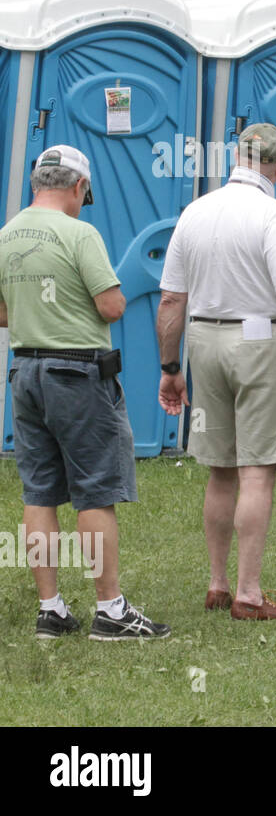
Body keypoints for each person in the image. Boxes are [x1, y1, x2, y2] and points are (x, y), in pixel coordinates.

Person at [157, 123, 276, 620]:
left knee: (219, 468)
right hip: (258, 341)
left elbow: (171, 299)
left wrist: (171, 367)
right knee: (258, 470)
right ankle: (249, 594)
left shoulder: (194, 211)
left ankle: (216, 584)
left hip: (203, 341)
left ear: (236, 158)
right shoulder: (275, 215)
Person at [0, 145, 168, 639]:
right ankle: (111, 611)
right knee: (95, 489)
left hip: (25, 373)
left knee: (40, 491)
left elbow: (2, 312)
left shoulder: (6, 235)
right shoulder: (80, 233)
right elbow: (112, 305)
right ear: (78, 187)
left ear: (37, 184)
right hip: (77, 373)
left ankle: (51, 609)